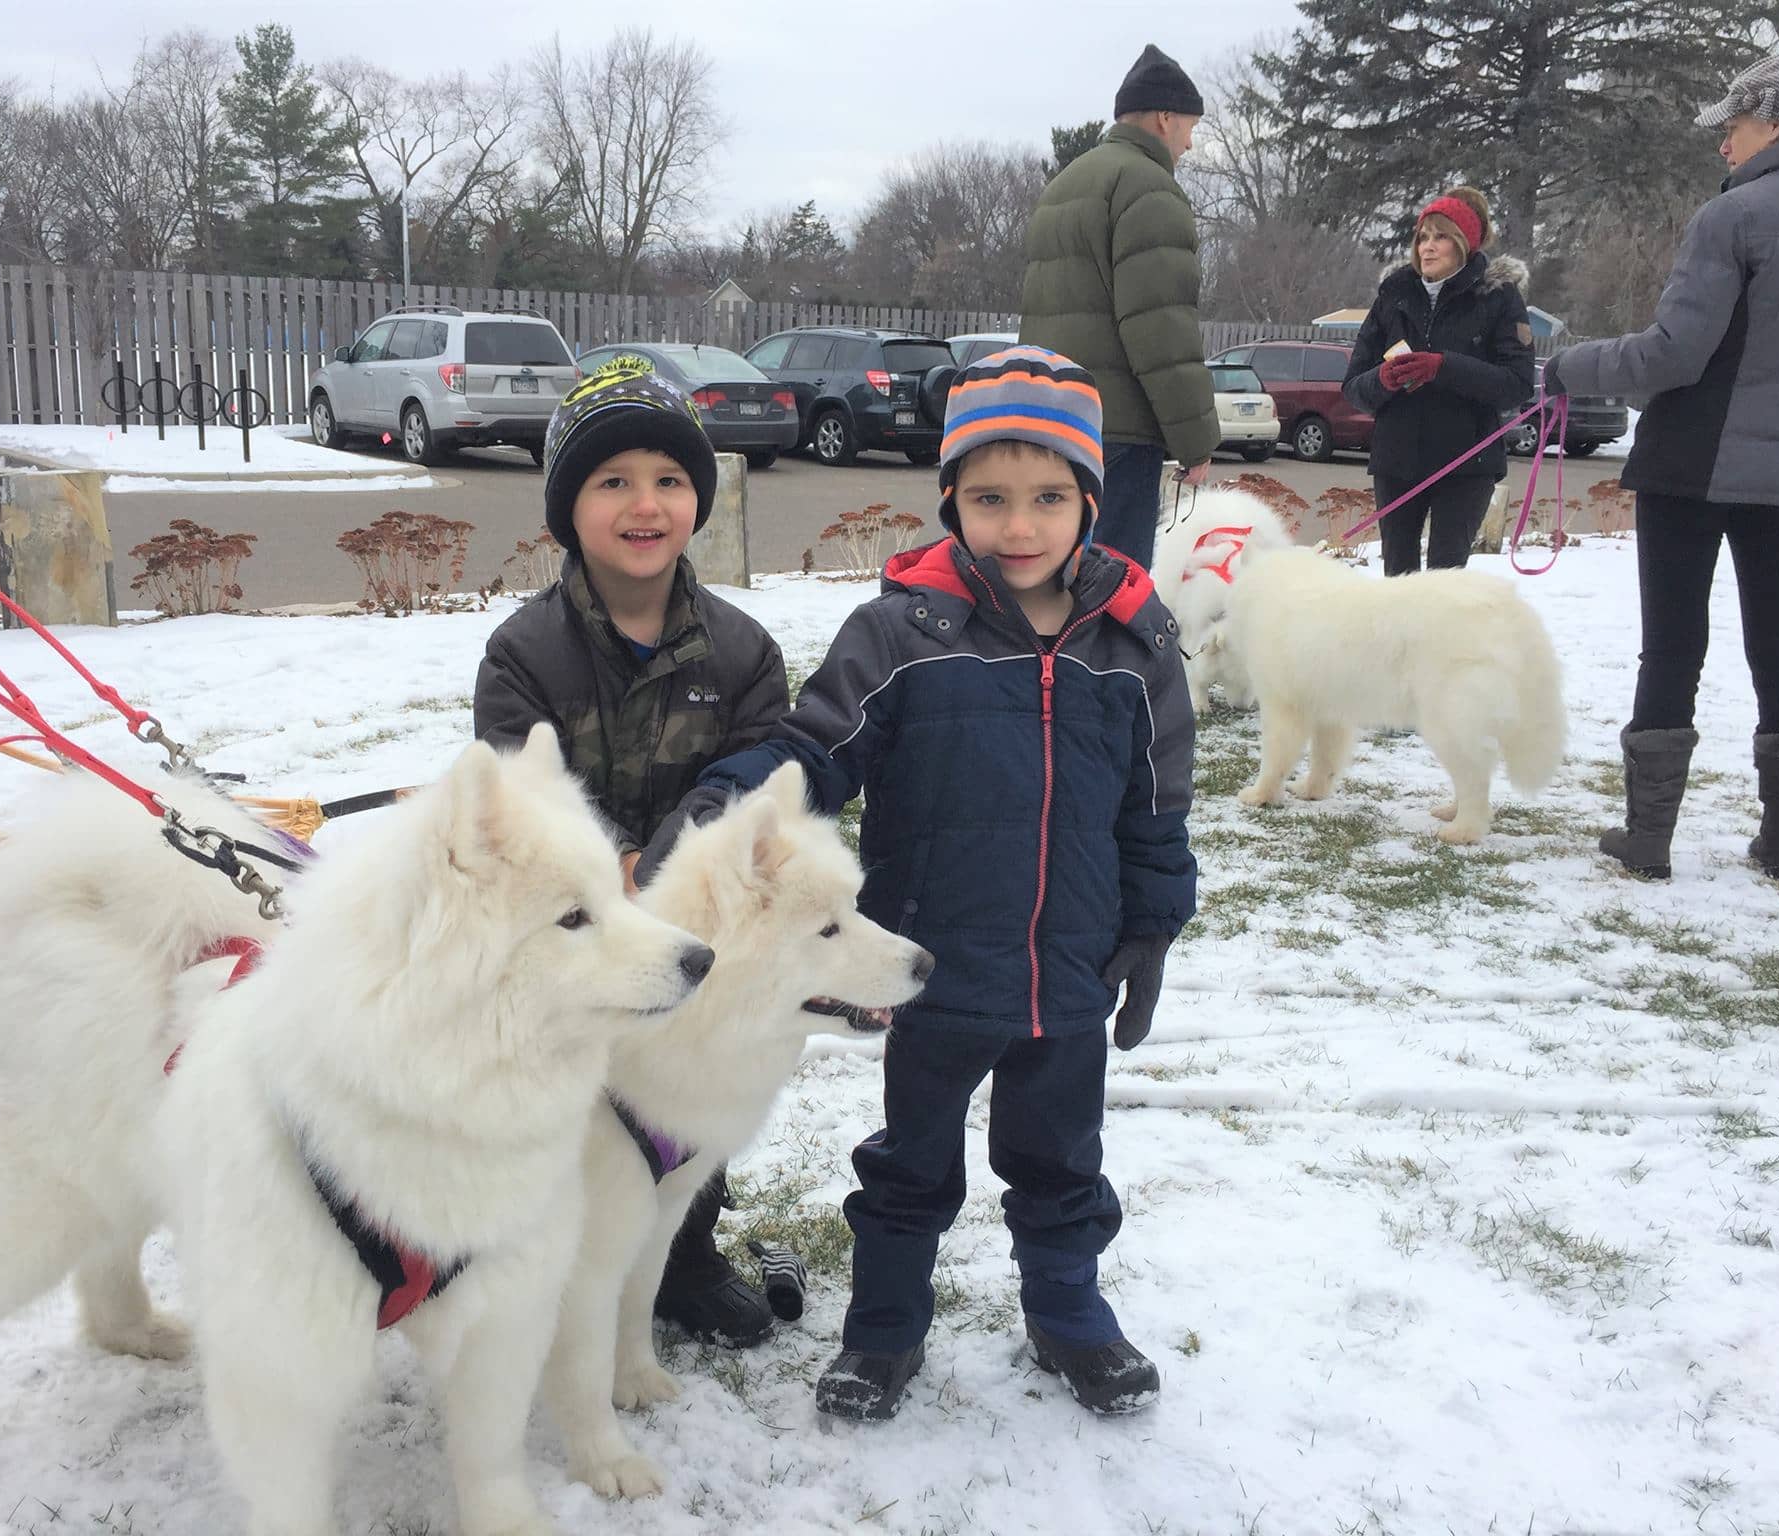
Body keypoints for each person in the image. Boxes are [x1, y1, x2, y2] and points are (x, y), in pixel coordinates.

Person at [640, 348, 1197, 1421]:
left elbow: (1157, 807)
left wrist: (1153, 924)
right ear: (950, 501)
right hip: (931, 965)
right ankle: (884, 1331)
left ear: (1090, 501)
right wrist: (724, 802)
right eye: (988, 500)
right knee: (909, 1167)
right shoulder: (902, 633)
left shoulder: (1135, 647)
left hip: (1070, 969)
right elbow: (814, 747)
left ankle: (1070, 1314)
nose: (1019, 527)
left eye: (1048, 498)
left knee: (1060, 1162)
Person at [472, 353, 790, 1346]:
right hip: (569, 924)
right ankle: (536, 1244)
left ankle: (682, 1254)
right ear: (567, 510)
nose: (644, 505)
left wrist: (667, 876)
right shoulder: (523, 655)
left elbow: (749, 797)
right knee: (566, 1094)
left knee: (696, 1073)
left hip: (695, 924)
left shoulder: (744, 654)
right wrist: (613, 867)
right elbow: (524, 796)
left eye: (668, 480)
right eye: (612, 481)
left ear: (697, 499)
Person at [1547, 51, 1779, 886]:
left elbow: (1673, 354)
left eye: (1734, 127)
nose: (1724, 145)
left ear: (1777, 125)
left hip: (1692, 463)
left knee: (1672, 646)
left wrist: (1569, 367)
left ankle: (1649, 839)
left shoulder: (1732, 217)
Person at [1018, 45, 1221, 568]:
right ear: (1165, 118)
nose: (1189, 143)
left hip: (1049, 420)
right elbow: (1160, 329)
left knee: (1052, 574)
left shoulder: (1064, 184)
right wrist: (1195, 441)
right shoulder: (1150, 189)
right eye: (1190, 127)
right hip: (1118, 433)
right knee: (1113, 585)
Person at [1342, 186, 1536, 575]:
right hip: (1397, 460)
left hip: (1465, 464)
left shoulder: (1498, 297)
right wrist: (1383, 379)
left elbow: (1516, 384)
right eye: (1422, 237)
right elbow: (1353, 387)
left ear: (1463, 244)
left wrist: (1443, 367)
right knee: (1399, 579)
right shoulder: (1394, 293)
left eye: (1440, 237)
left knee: (1445, 582)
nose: (1427, 247)